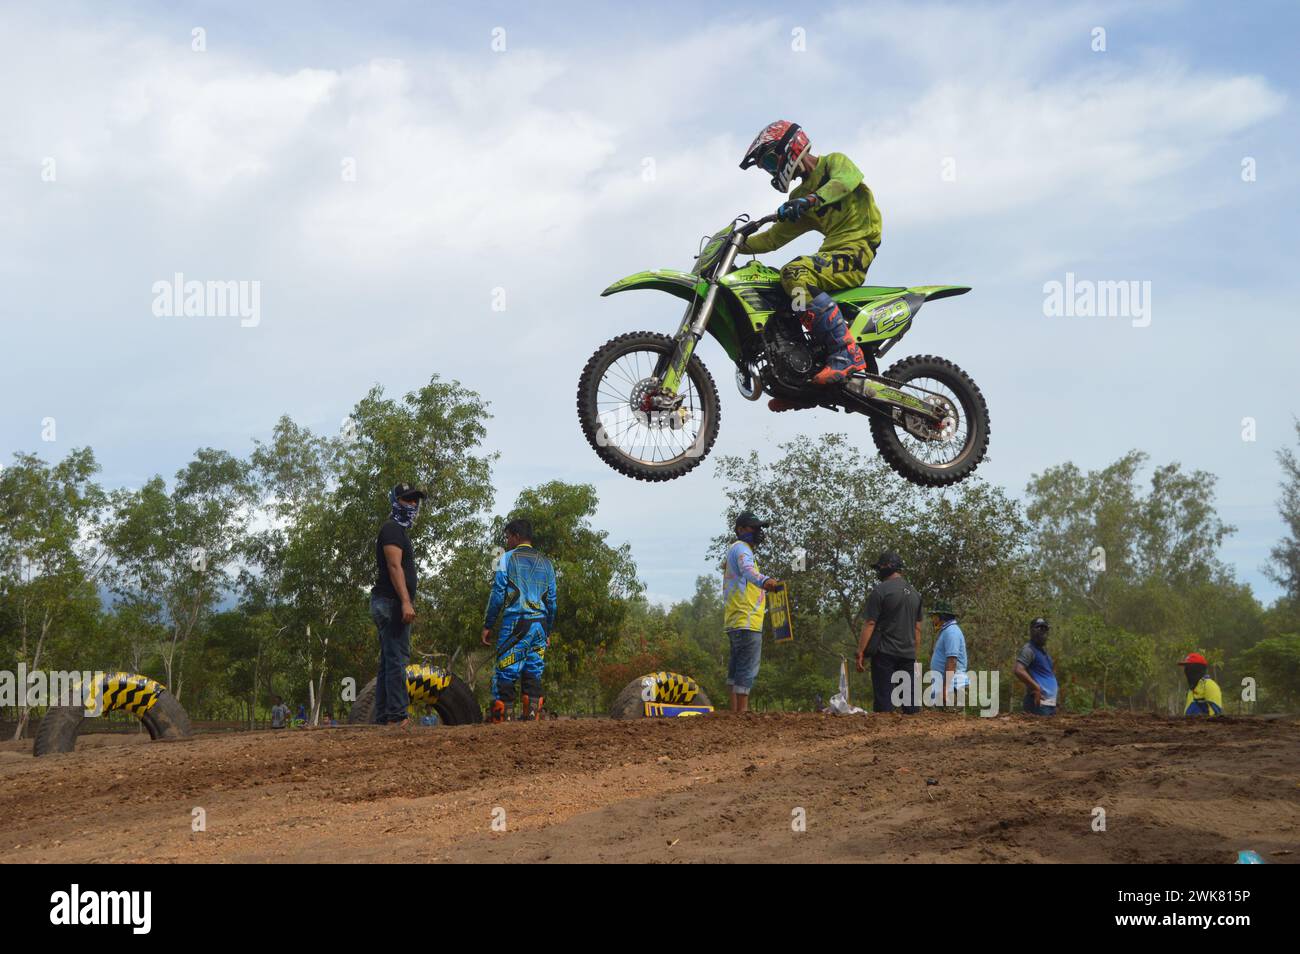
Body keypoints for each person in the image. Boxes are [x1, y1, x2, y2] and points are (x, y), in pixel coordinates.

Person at [739, 120, 883, 411]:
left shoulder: (834, 164)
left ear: (788, 148)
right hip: (832, 256)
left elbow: (844, 182)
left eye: (769, 161)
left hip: (857, 250)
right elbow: (773, 239)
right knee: (780, 292)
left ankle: (847, 352)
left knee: (794, 272)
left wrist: (811, 199)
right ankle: (800, 379)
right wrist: (734, 244)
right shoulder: (798, 198)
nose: (769, 169)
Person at [482, 518, 557, 723]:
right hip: (540, 625)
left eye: (507, 537)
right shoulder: (547, 563)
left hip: (516, 622)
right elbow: (552, 601)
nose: (506, 542)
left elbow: (498, 594)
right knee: (533, 671)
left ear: (516, 536)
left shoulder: (504, 559)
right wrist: (548, 630)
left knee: (505, 672)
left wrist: (488, 625)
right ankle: (531, 723)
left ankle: (502, 723)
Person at [370, 481, 426, 728]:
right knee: (396, 660)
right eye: (407, 499)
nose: (412, 504)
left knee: (388, 659)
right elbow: (394, 566)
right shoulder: (392, 529)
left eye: (415, 500)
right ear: (395, 501)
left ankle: (384, 715)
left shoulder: (397, 530)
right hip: (391, 602)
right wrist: (405, 601)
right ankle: (396, 715)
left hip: (388, 601)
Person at [723, 511, 782, 713]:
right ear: (740, 529)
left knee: (736, 667)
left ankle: (734, 712)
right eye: (752, 527)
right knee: (747, 668)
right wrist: (766, 581)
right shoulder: (742, 549)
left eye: (759, 528)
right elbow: (749, 571)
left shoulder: (736, 549)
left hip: (736, 618)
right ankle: (742, 713)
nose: (757, 531)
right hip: (746, 618)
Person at [855, 551, 922, 713]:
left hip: (884, 653)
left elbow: (870, 623)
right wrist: (914, 654)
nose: (878, 571)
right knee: (910, 703)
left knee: (884, 700)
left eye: (879, 567)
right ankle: (913, 734)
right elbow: (917, 628)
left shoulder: (880, 591)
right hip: (907, 654)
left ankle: (884, 736)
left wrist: (860, 652)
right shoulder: (915, 594)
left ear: (887, 567)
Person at [1014, 617, 1060, 716]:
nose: (1042, 631)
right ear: (1031, 631)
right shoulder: (1029, 650)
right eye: (1039, 628)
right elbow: (1018, 670)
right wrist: (1036, 688)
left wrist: (1054, 701)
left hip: (1049, 704)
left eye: (1045, 629)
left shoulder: (1044, 653)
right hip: (1037, 703)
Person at [927, 598, 969, 707]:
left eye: (934, 617)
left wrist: (946, 689)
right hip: (944, 685)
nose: (933, 620)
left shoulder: (951, 632)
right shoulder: (946, 631)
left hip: (951, 687)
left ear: (942, 617)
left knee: (950, 722)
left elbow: (952, 661)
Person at [1178, 652, 1223, 717]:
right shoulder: (1192, 689)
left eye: (1189, 667)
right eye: (1186, 668)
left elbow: (1215, 716)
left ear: (1197, 668)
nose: (1186, 671)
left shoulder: (1210, 686)